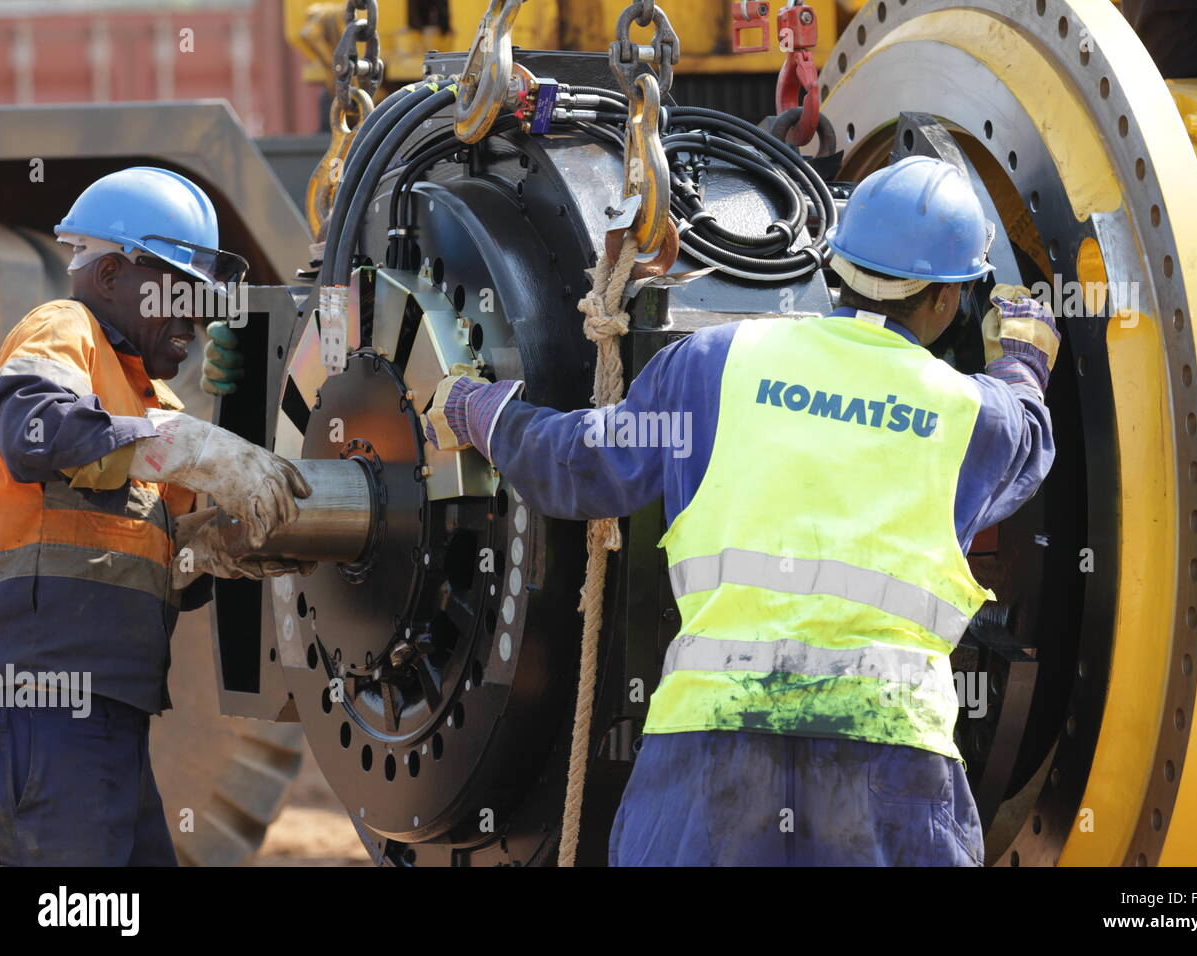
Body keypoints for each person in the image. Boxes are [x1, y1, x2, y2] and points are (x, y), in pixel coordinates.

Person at [423, 154, 1059, 866]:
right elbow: (1028, 431)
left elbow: (575, 465)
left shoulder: (713, 364)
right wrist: (1025, 358)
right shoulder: (974, 417)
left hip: (710, 760)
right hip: (888, 773)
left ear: (832, 269)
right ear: (948, 300)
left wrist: (475, 409)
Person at [0, 166, 310, 866]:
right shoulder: (63, 327)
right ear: (109, 275)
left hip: (110, 717)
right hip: (46, 707)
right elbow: (32, 430)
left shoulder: (151, 400)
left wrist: (212, 546)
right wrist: (191, 446)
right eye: (180, 291)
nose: (194, 316)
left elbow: (169, 569)